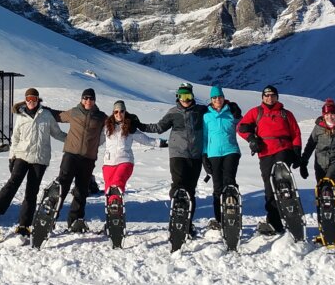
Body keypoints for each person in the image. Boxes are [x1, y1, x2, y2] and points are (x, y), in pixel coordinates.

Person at [137, 84, 208, 236]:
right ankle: (177, 215)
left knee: (190, 190)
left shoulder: (200, 111)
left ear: (192, 97)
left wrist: (229, 106)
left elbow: (215, 113)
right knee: (178, 185)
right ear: (178, 97)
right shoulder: (173, 113)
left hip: (195, 155)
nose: (186, 100)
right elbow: (158, 128)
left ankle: (187, 224)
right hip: (177, 153)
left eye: (188, 96)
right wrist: (139, 125)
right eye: (182, 97)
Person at [0, 87, 67, 236]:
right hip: (22, 155)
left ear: (37, 100)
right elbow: (15, 138)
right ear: (25, 100)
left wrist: (73, 140)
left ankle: (24, 225)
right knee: (13, 182)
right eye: (28, 100)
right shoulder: (21, 117)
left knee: (31, 192)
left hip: (40, 159)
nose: (31, 102)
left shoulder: (46, 115)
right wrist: (11, 157)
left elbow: (57, 133)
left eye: (33, 99)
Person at [237, 85, 302, 236]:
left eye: (272, 95)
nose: (269, 98)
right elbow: (241, 128)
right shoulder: (256, 112)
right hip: (265, 153)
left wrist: (297, 152)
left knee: (283, 185)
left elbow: (296, 133)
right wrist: (252, 139)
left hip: (282, 149)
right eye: (266, 95)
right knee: (269, 186)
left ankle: (292, 217)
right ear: (262, 97)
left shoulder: (285, 114)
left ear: (277, 97)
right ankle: (274, 221)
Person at [54, 88, 109, 233]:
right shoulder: (74, 112)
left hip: (88, 158)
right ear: (81, 99)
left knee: (81, 189)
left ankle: (75, 220)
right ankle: (51, 217)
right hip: (71, 155)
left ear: (95, 100)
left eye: (91, 98)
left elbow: (115, 122)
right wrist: (39, 108)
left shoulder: (101, 117)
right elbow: (57, 116)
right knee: (62, 185)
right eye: (85, 98)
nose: (88, 101)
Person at [201, 86, 243, 231]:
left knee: (229, 182)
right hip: (213, 154)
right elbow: (205, 137)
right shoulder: (206, 115)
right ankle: (219, 219)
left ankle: (233, 213)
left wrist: (238, 113)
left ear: (223, 98)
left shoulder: (231, 112)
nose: (217, 99)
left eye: (219, 97)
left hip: (231, 151)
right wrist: (204, 155)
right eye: (214, 98)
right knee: (217, 186)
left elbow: (244, 125)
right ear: (211, 100)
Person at [99, 100, 160, 194]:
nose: (119, 114)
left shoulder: (130, 127)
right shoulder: (107, 128)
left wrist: (163, 143)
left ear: (125, 112)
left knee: (117, 183)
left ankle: (115, 202)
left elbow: (147, 140)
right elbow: (98, 141)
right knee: (108, 190)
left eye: (121, 111)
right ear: (113, 113)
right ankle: (114, 206)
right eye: (116, 111)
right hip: (108, 163)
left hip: (124, 161)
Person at [298, 98, 335, 186]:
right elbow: (310, 146)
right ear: (323, 115)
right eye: (327, 114)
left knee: (328, 184)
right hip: (320, 163)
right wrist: (304, 163)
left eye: (332, 114)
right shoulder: (318, 128)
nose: (330, 117)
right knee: (320, 187)